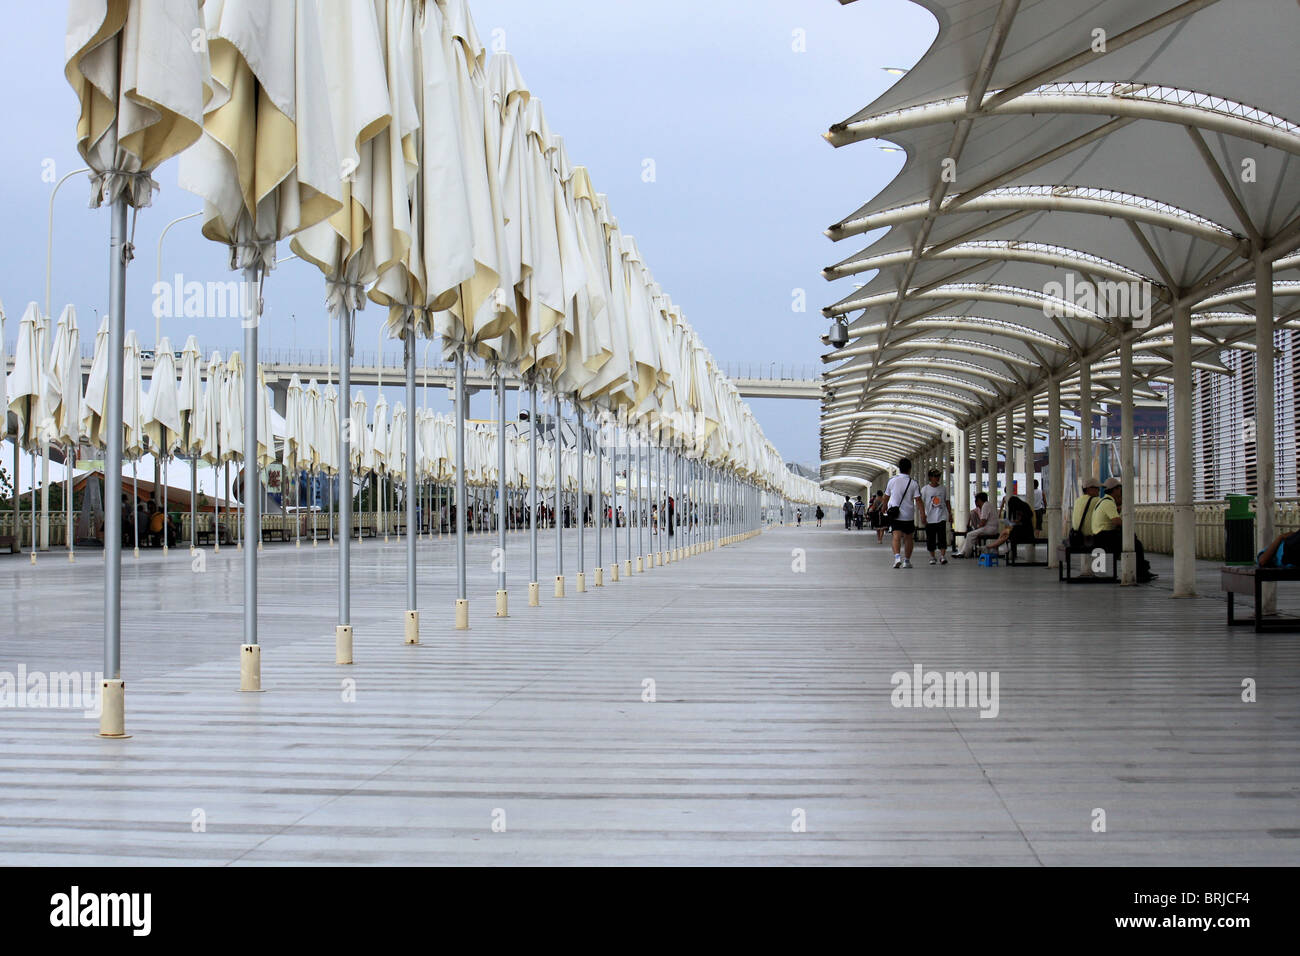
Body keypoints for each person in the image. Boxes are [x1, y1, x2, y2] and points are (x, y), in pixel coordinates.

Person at [1091, 477, 1156, 582]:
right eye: (1119, 489)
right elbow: (1116, 521)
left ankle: (1142, 570)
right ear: (1115, 490)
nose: (1121, 491)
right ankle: (1141, 572)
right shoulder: (1108, 503)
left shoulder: (1103, 501)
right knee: (1136, 544)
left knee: (1133, 541)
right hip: (1104, 537)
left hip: (1099, 536)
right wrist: (1128, 526)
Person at [885, 457, 923, 569]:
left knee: (896, 536)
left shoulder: (892, 481)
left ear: (899, 468)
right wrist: (922, 514)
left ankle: (897, 557)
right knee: (908, 538)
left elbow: (886, 497)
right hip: (908, 515)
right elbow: (918, 500)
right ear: (909, 469)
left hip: (895, 514)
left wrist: (883, 509)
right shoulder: (913, 483)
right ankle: (907, 561)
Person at [921, 469, 951, 565]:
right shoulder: (925, 489)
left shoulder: (943, 488)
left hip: (941, 516)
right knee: (931, 538)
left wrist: (950, 514)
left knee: (942, 536)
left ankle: (942, 556)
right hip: (929, 518)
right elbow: (920, 503)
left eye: (938, 476)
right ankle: (932, 557)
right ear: (930, 477)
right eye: (935, 476)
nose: (937, 478)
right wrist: (922, 515)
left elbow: (947, 502)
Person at [956, 492, 999, 557]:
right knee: (972, 534)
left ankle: (964, 553)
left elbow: (983, 522)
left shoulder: (985, 506)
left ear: (979, 500)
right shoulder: (989, 504)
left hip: (990, 528)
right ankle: (962, 551)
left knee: (970, 534)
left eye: (976, 501)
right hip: (992, 528)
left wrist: (977, 528)